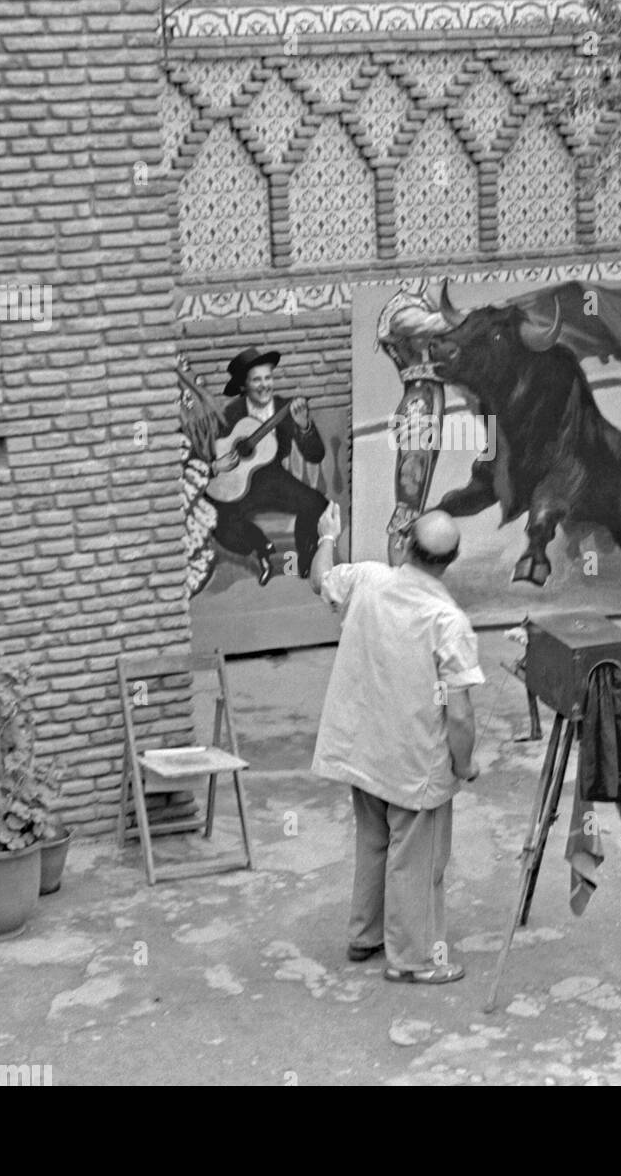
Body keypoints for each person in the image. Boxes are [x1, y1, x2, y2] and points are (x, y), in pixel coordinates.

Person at [309, 503, 483, 984]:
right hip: (413, 760)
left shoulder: (367, 579)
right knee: (417, 857)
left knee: (373, 842)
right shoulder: (448, 621)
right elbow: (461, 713)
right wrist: (463, 765)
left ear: (406, 543)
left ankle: (365, 935)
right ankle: (415, 958)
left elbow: (319, 578)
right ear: (451, 560)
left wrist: (328, 536)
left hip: (362, 747)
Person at [208, 346, 328, 586]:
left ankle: (307, 561)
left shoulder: (287, 408)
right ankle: (261, 548)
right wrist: (217, 465)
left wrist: (304, 426)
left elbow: (316, 455)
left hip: (275, 479)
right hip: (239, 484)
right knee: (218, 520)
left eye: (268, 378)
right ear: (243, 386)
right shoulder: (232, 413)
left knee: (317, 504)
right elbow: (216, 448)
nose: (264, 385)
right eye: (256, 380)